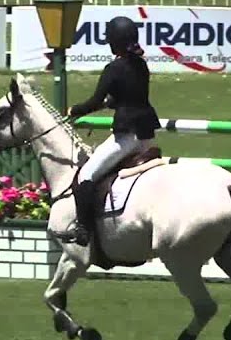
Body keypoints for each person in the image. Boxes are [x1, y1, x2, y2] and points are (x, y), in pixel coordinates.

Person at [63, 15, 162, 246]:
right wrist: (112, 102)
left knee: (86, 176)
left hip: (126, 137)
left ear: (113, 41)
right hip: (146, 134)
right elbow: (128, 96)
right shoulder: (141, 64)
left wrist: (73, 110)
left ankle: (84, 229)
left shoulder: (113, 68)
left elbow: (95, 101)